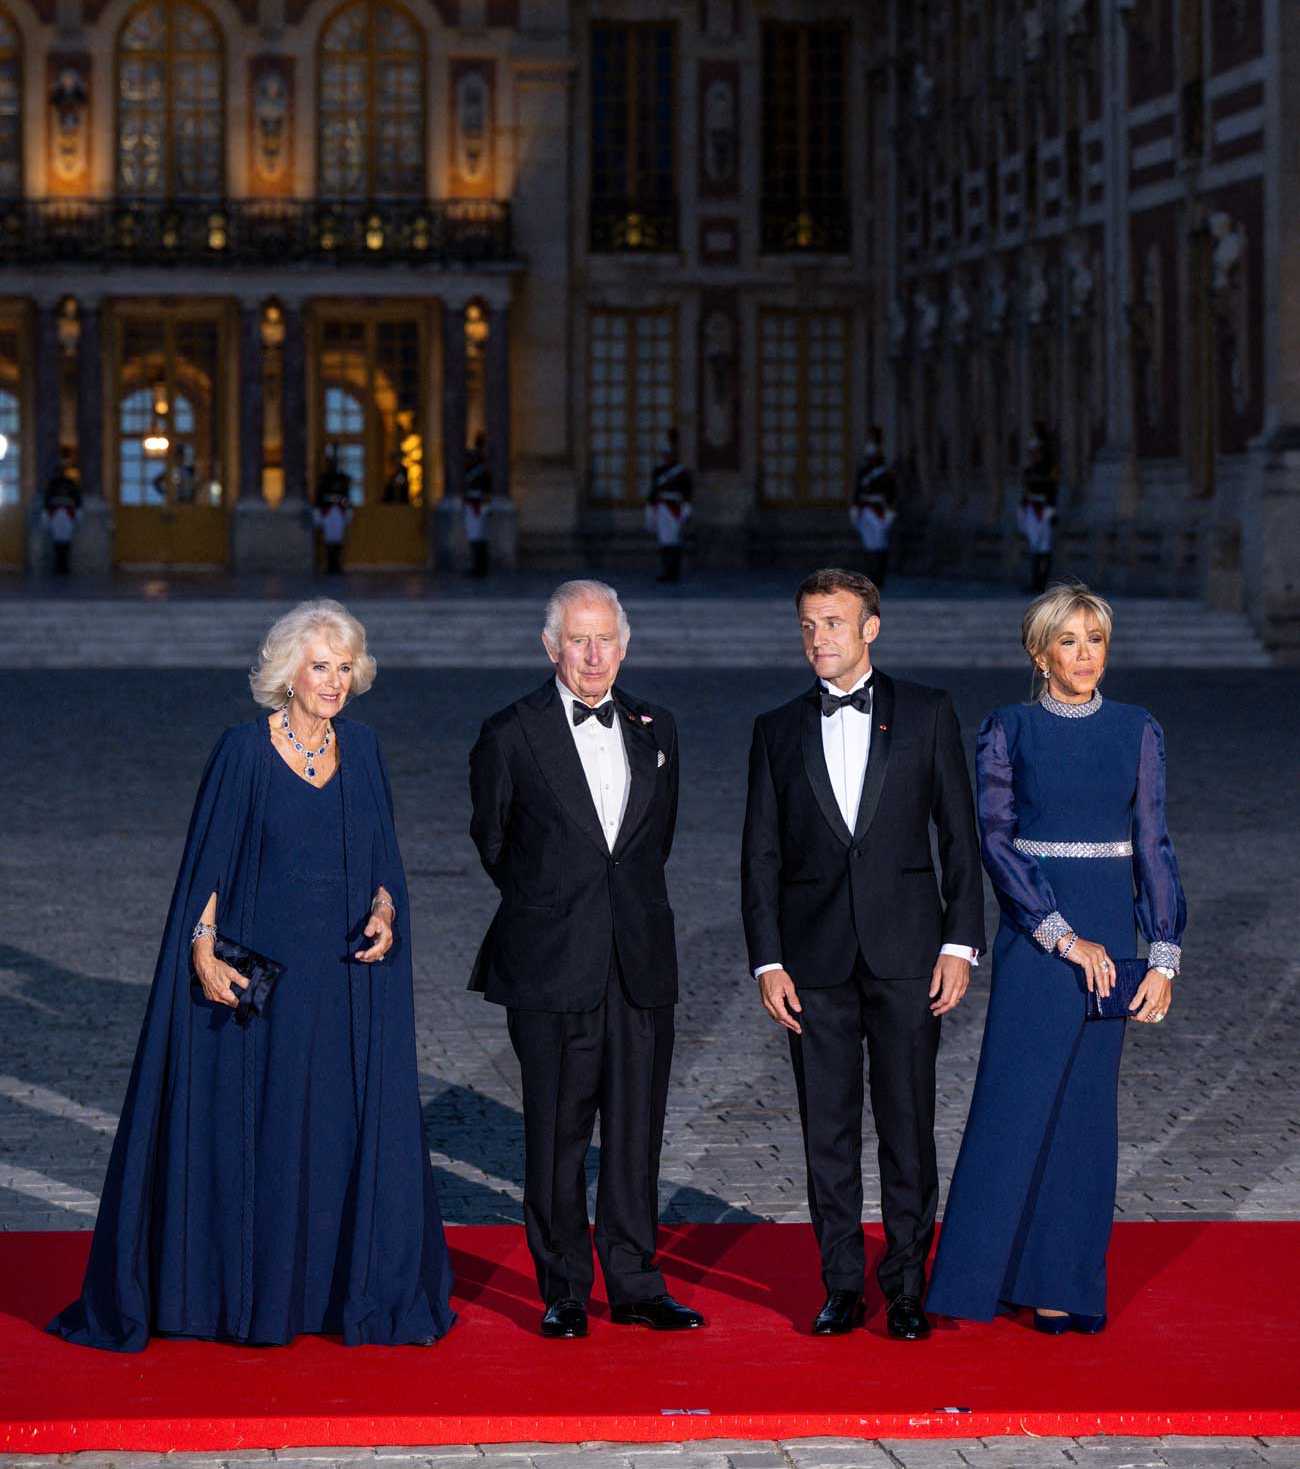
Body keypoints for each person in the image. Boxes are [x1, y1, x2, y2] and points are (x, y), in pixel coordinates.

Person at [50, 599, 456, 1353]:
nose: (333, 681)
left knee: (334, 1134)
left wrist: (386, 912)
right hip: (264, 987)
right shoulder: (241, 751)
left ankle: (334, 1296)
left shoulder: (363, 750)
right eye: (319, 666)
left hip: (343, 986)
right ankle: (248, 1297)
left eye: (343, 668)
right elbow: (207, 865)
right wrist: (202, 952)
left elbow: (383, 863)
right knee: (264, 1139)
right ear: (286, 672)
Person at [925, 583, 1185, 1334]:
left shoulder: (1138, 729)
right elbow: (997, 842)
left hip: (1114, 933)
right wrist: (1062, 936)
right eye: (1067, 641)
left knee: (1084, 1114)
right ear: (1040, 653)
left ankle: (1060, 1282)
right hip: (1040, 939)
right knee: (1014, 1103)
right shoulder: (1008, 728)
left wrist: (1162, 955)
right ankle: (975, 1281)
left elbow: (1154, 845)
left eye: (1094, 639)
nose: (1083, 655)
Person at [741, 569, 984, 1342]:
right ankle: (842, 1284)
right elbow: (759, 859)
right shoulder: (775, 729)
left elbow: (960, 838)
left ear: (870, 628)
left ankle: (907, 1285)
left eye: (835, 624)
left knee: (909, 1125)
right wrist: (767, 961)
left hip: (912, 954)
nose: (820, 639)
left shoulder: (928, 712)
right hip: (811, 966)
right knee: (827, 1132)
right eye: (809, 625)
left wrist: (959, 942)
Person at [468, 578, 703, 1340]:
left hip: (639, 962)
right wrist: (554, 906)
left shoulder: (656, 726)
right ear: (551, 646)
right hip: (549, 962)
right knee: (556, 1133)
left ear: (625, 645)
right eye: (579, 638)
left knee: (637, 1132)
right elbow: (494, 843)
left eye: (606, 638)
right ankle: (563, 1286)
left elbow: (651, 846)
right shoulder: (509, 732)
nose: (594, 652)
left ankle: (636, 1283)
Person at [849, 429, 897, 590]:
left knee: (880, 545)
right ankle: (870, 577)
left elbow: (891, 491)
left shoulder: (884, 471)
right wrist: (855, 507)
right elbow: (857, 490)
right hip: (865, 510)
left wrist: (890, 510)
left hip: (879, 510)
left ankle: (879, 578)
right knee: (869, 546)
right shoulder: (863, 471)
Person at [644, 430, 692, 584]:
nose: (667, 456)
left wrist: (686, 509)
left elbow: (687, 491)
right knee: (664, 541)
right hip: (663, 508)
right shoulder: (658, 471)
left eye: (669, 453)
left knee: (675, 541)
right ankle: (666, 570)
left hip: (675, 509)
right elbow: (654, 491)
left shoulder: (682, 472)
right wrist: (650, 510)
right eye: (665, 454)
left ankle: (674, 571)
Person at [1017, 421, 1058, 592]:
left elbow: (1051, 488)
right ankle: (1036, 582)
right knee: (1035, 546)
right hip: (1032, 509)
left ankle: (1042, 582)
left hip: (1045, 509)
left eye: (1036, 453)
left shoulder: (1049, 468)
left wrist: (1053, 510)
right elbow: (1026, 491)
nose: (1033, 456)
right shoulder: (1029, 471)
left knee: (1044, 546)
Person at [313, 447, 352, 576]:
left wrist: (347, 508)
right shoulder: (323, 479)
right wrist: (317, 510)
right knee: (329, 537)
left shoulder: (343, 479)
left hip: (339, 511)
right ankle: (330, 564)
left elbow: (346, 496)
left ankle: (337, 563)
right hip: (327, 511)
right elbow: (320, 496)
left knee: (338, 537)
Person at [42, 453, 82, 574]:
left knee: (66, 539)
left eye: (63, 469)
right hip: (55, 513)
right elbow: (47, 497)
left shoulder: (71, 483)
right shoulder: (52, 483)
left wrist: (79, 511)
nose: (61, 471)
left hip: (68, 513)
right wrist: (46, 511)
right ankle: (58, 565)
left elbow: (77, 497)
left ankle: (64, 565)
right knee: (56, 540)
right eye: (60, 469)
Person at [463, 431, 492, 579]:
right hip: (473, 503)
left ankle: (481, 567)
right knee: (475, 536)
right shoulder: (476, 466)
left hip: (480, 504)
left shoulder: (484, 468)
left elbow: (486, 486)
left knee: (479, 536)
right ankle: (478, 566)